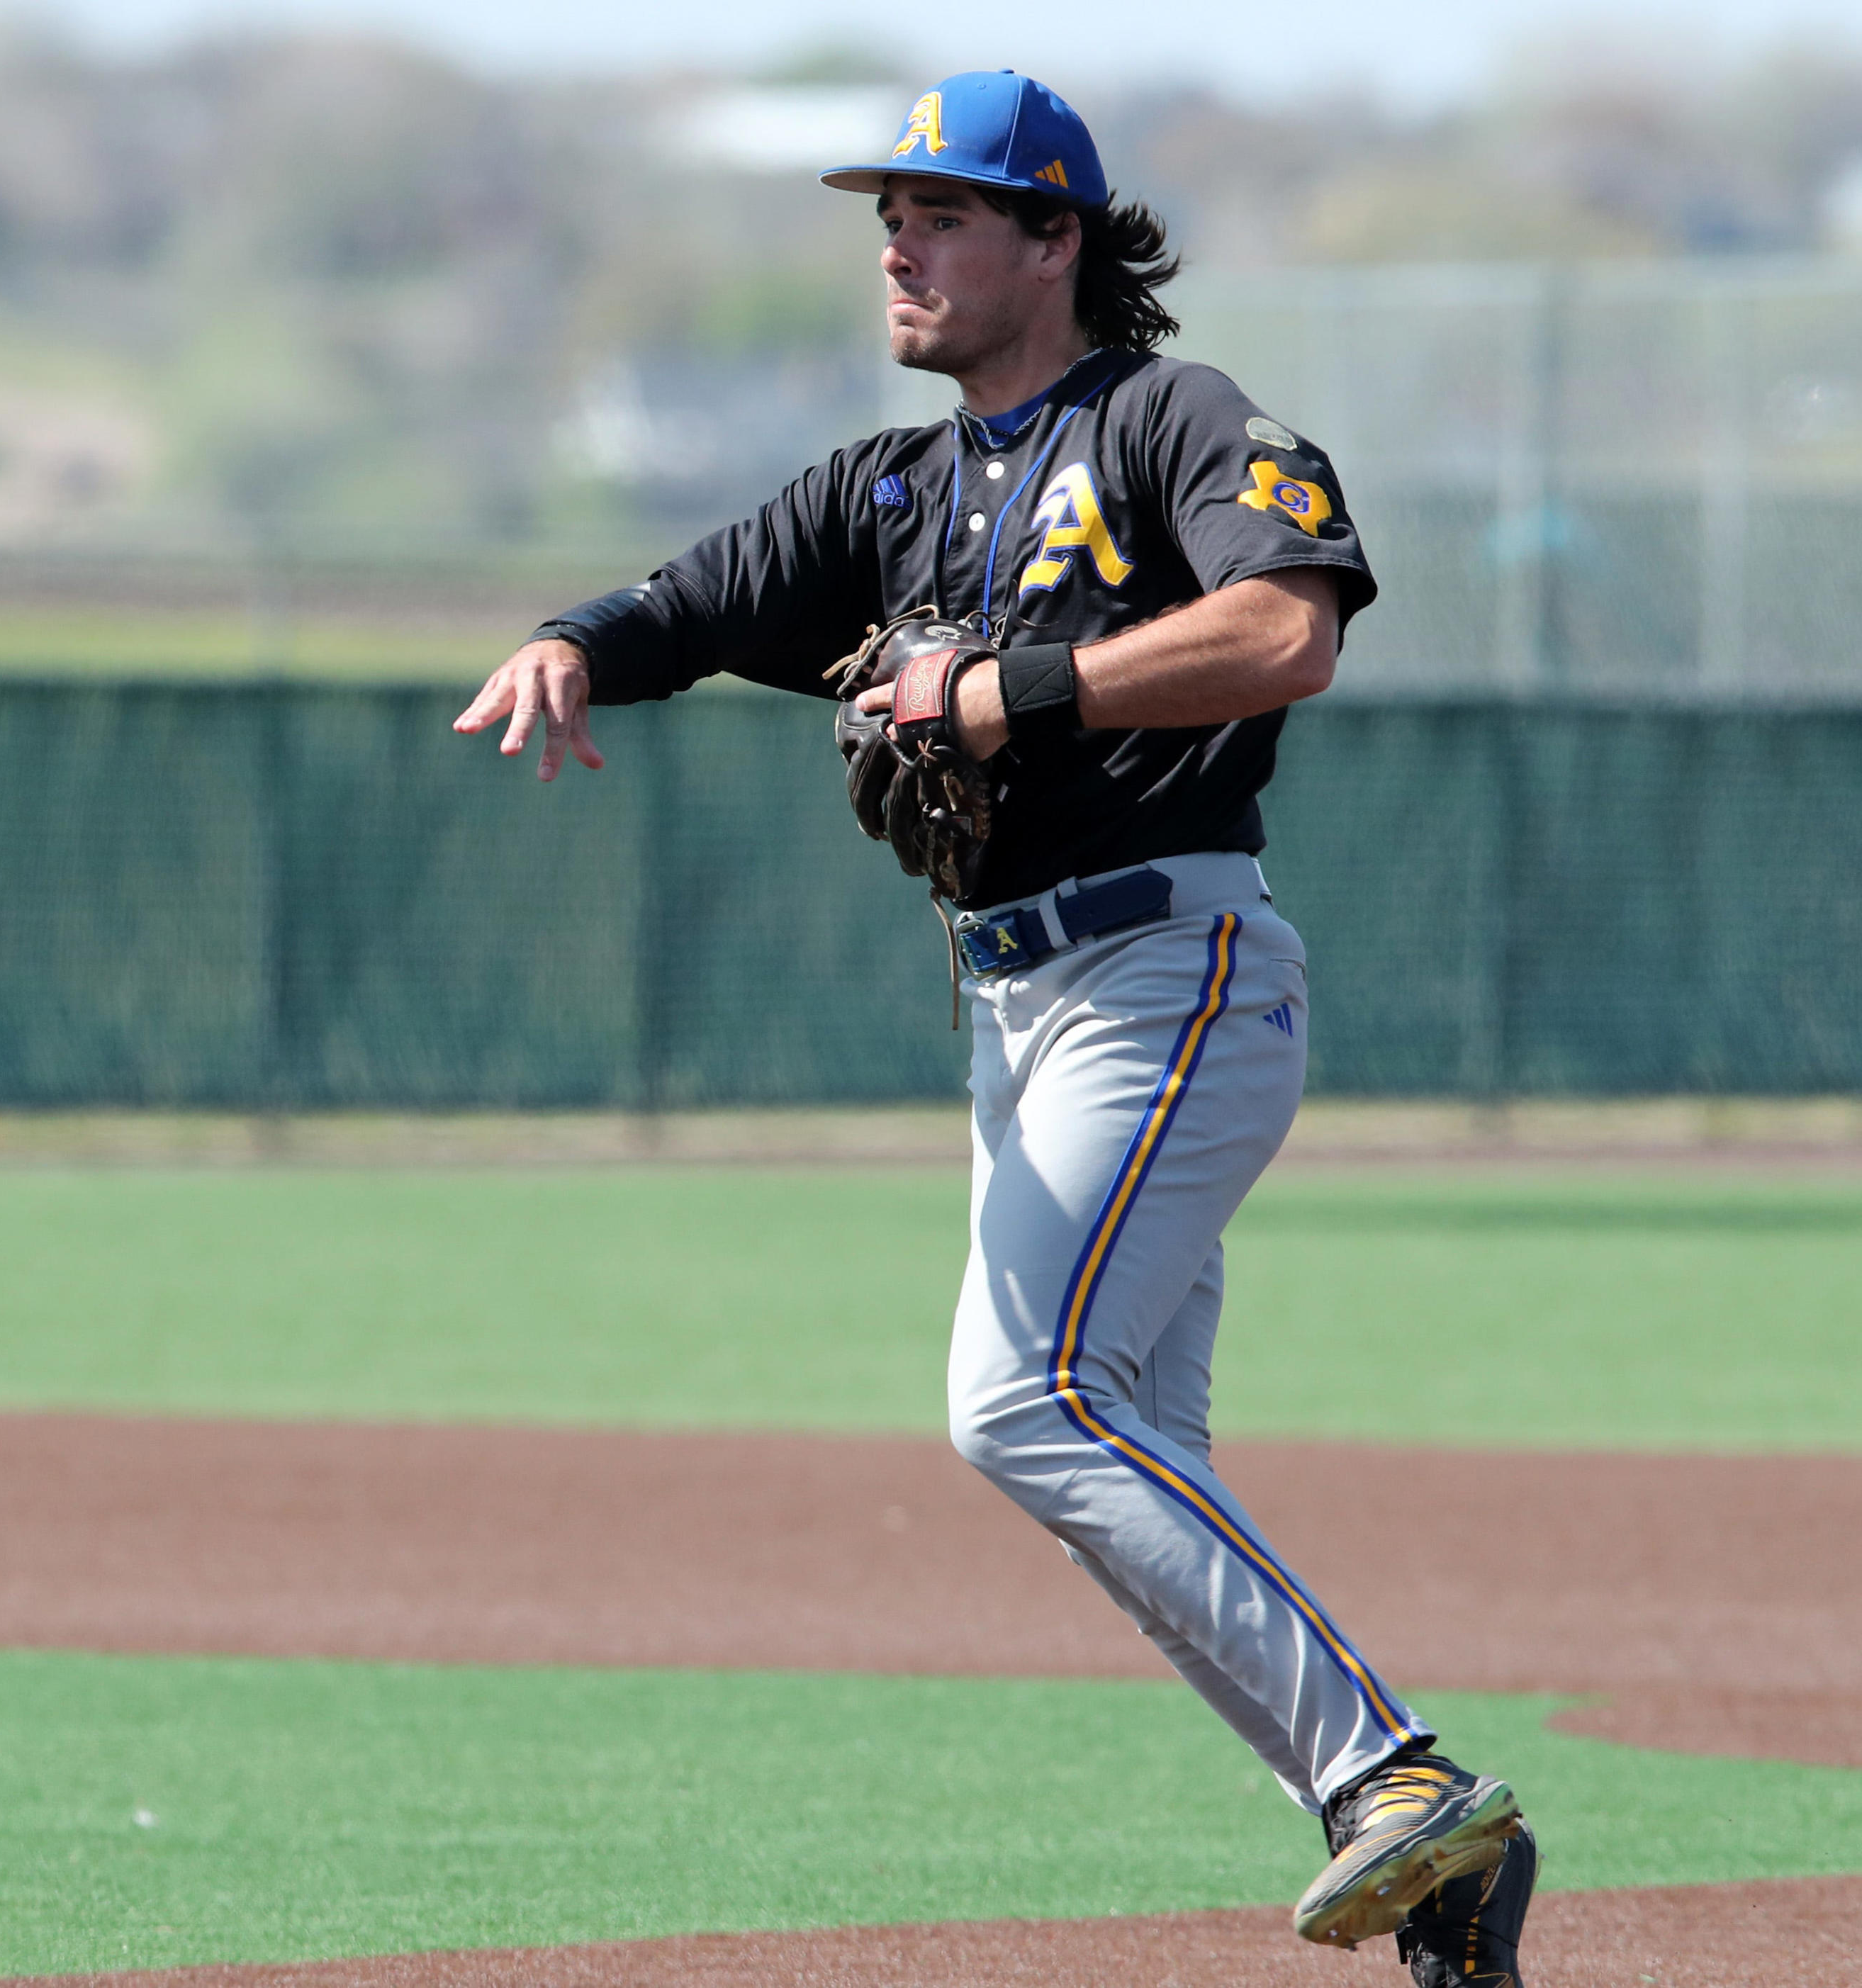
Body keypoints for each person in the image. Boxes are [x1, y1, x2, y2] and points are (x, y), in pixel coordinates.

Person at [452, 69, 1536, 1985]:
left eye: (945, 212)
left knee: (1020, 1403)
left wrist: (1011, 693)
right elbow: (691, 604)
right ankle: (1439, 1875)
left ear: (1056, 241)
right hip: (1016, 1004)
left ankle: (1391, 1778)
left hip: (1168, 965)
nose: (899, 242)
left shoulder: (1169, 419)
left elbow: (1287, 631)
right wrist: (569, 638)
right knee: (1130, 1455)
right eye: (891, 213)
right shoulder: (893, 489)